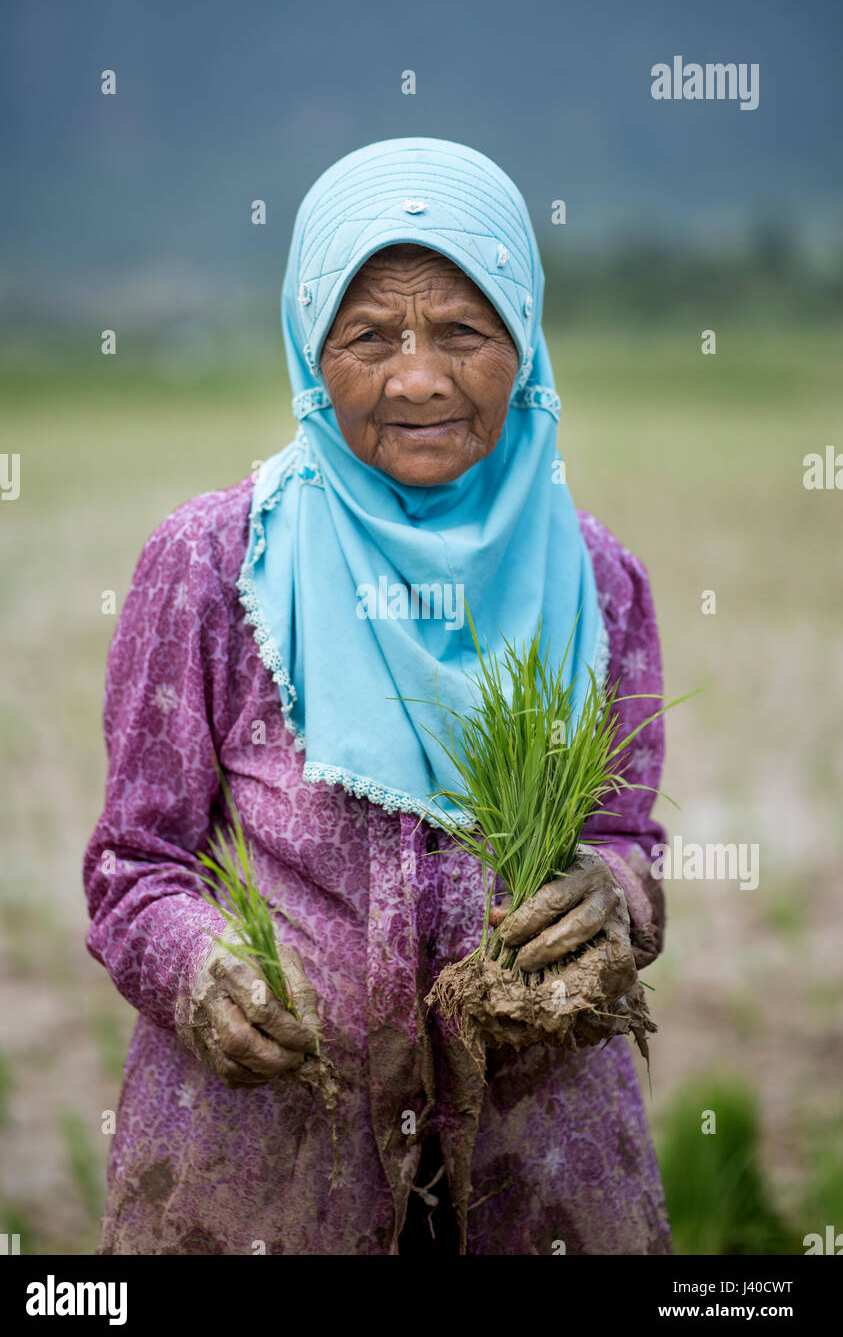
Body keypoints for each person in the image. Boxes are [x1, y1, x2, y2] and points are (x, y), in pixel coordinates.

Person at [84, 137, 671, 1255]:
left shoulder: (598, 581)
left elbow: (627, 839)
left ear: (525, 339)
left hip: (539, 1166)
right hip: (263, 1163)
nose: (417, 378)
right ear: (313, 352)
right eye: (368, 337)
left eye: (463, 330)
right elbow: (132, 865)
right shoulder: (214, 563)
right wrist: (198, 970)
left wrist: (615, 897)